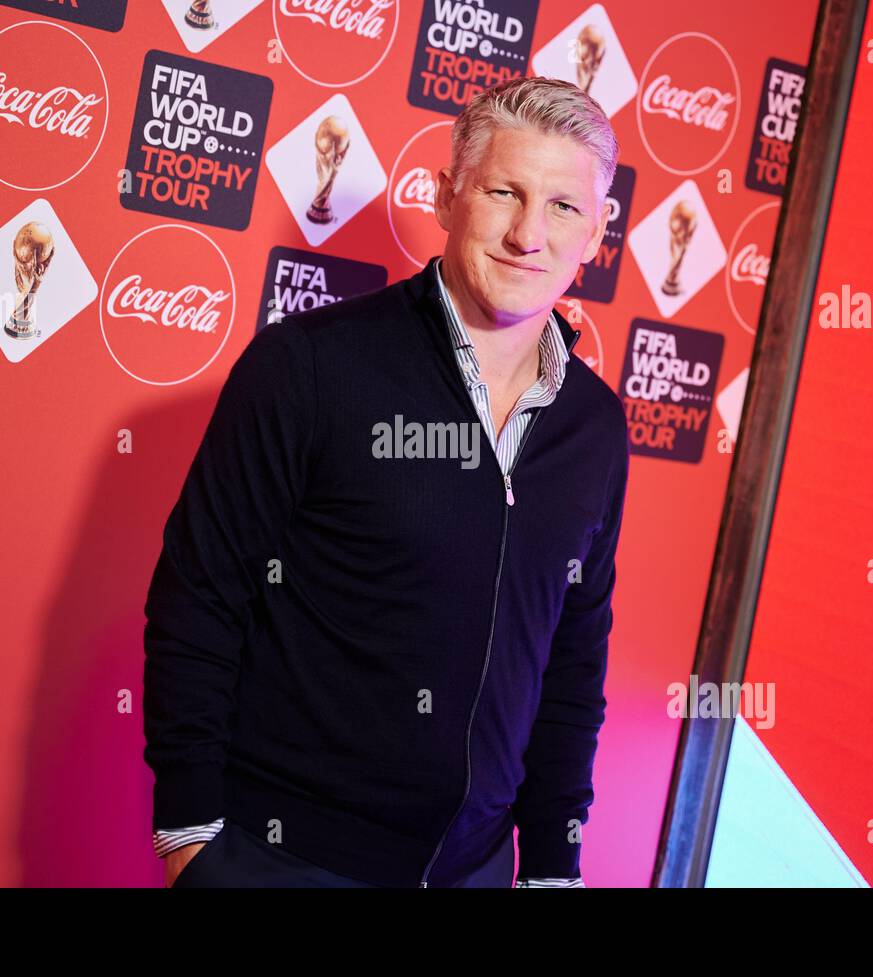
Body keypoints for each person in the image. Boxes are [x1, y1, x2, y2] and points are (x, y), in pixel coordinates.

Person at [143, 75, 629, 888]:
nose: (527, 234)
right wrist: (192, 839)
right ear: (447, 197)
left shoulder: (594, 429)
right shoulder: (308, 367)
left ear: (598, 230)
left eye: (563, 207)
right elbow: (199, 595)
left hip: (475, 872)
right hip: (280, 858)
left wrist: (552, 869)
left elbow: (571, 667)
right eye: (503, 192)